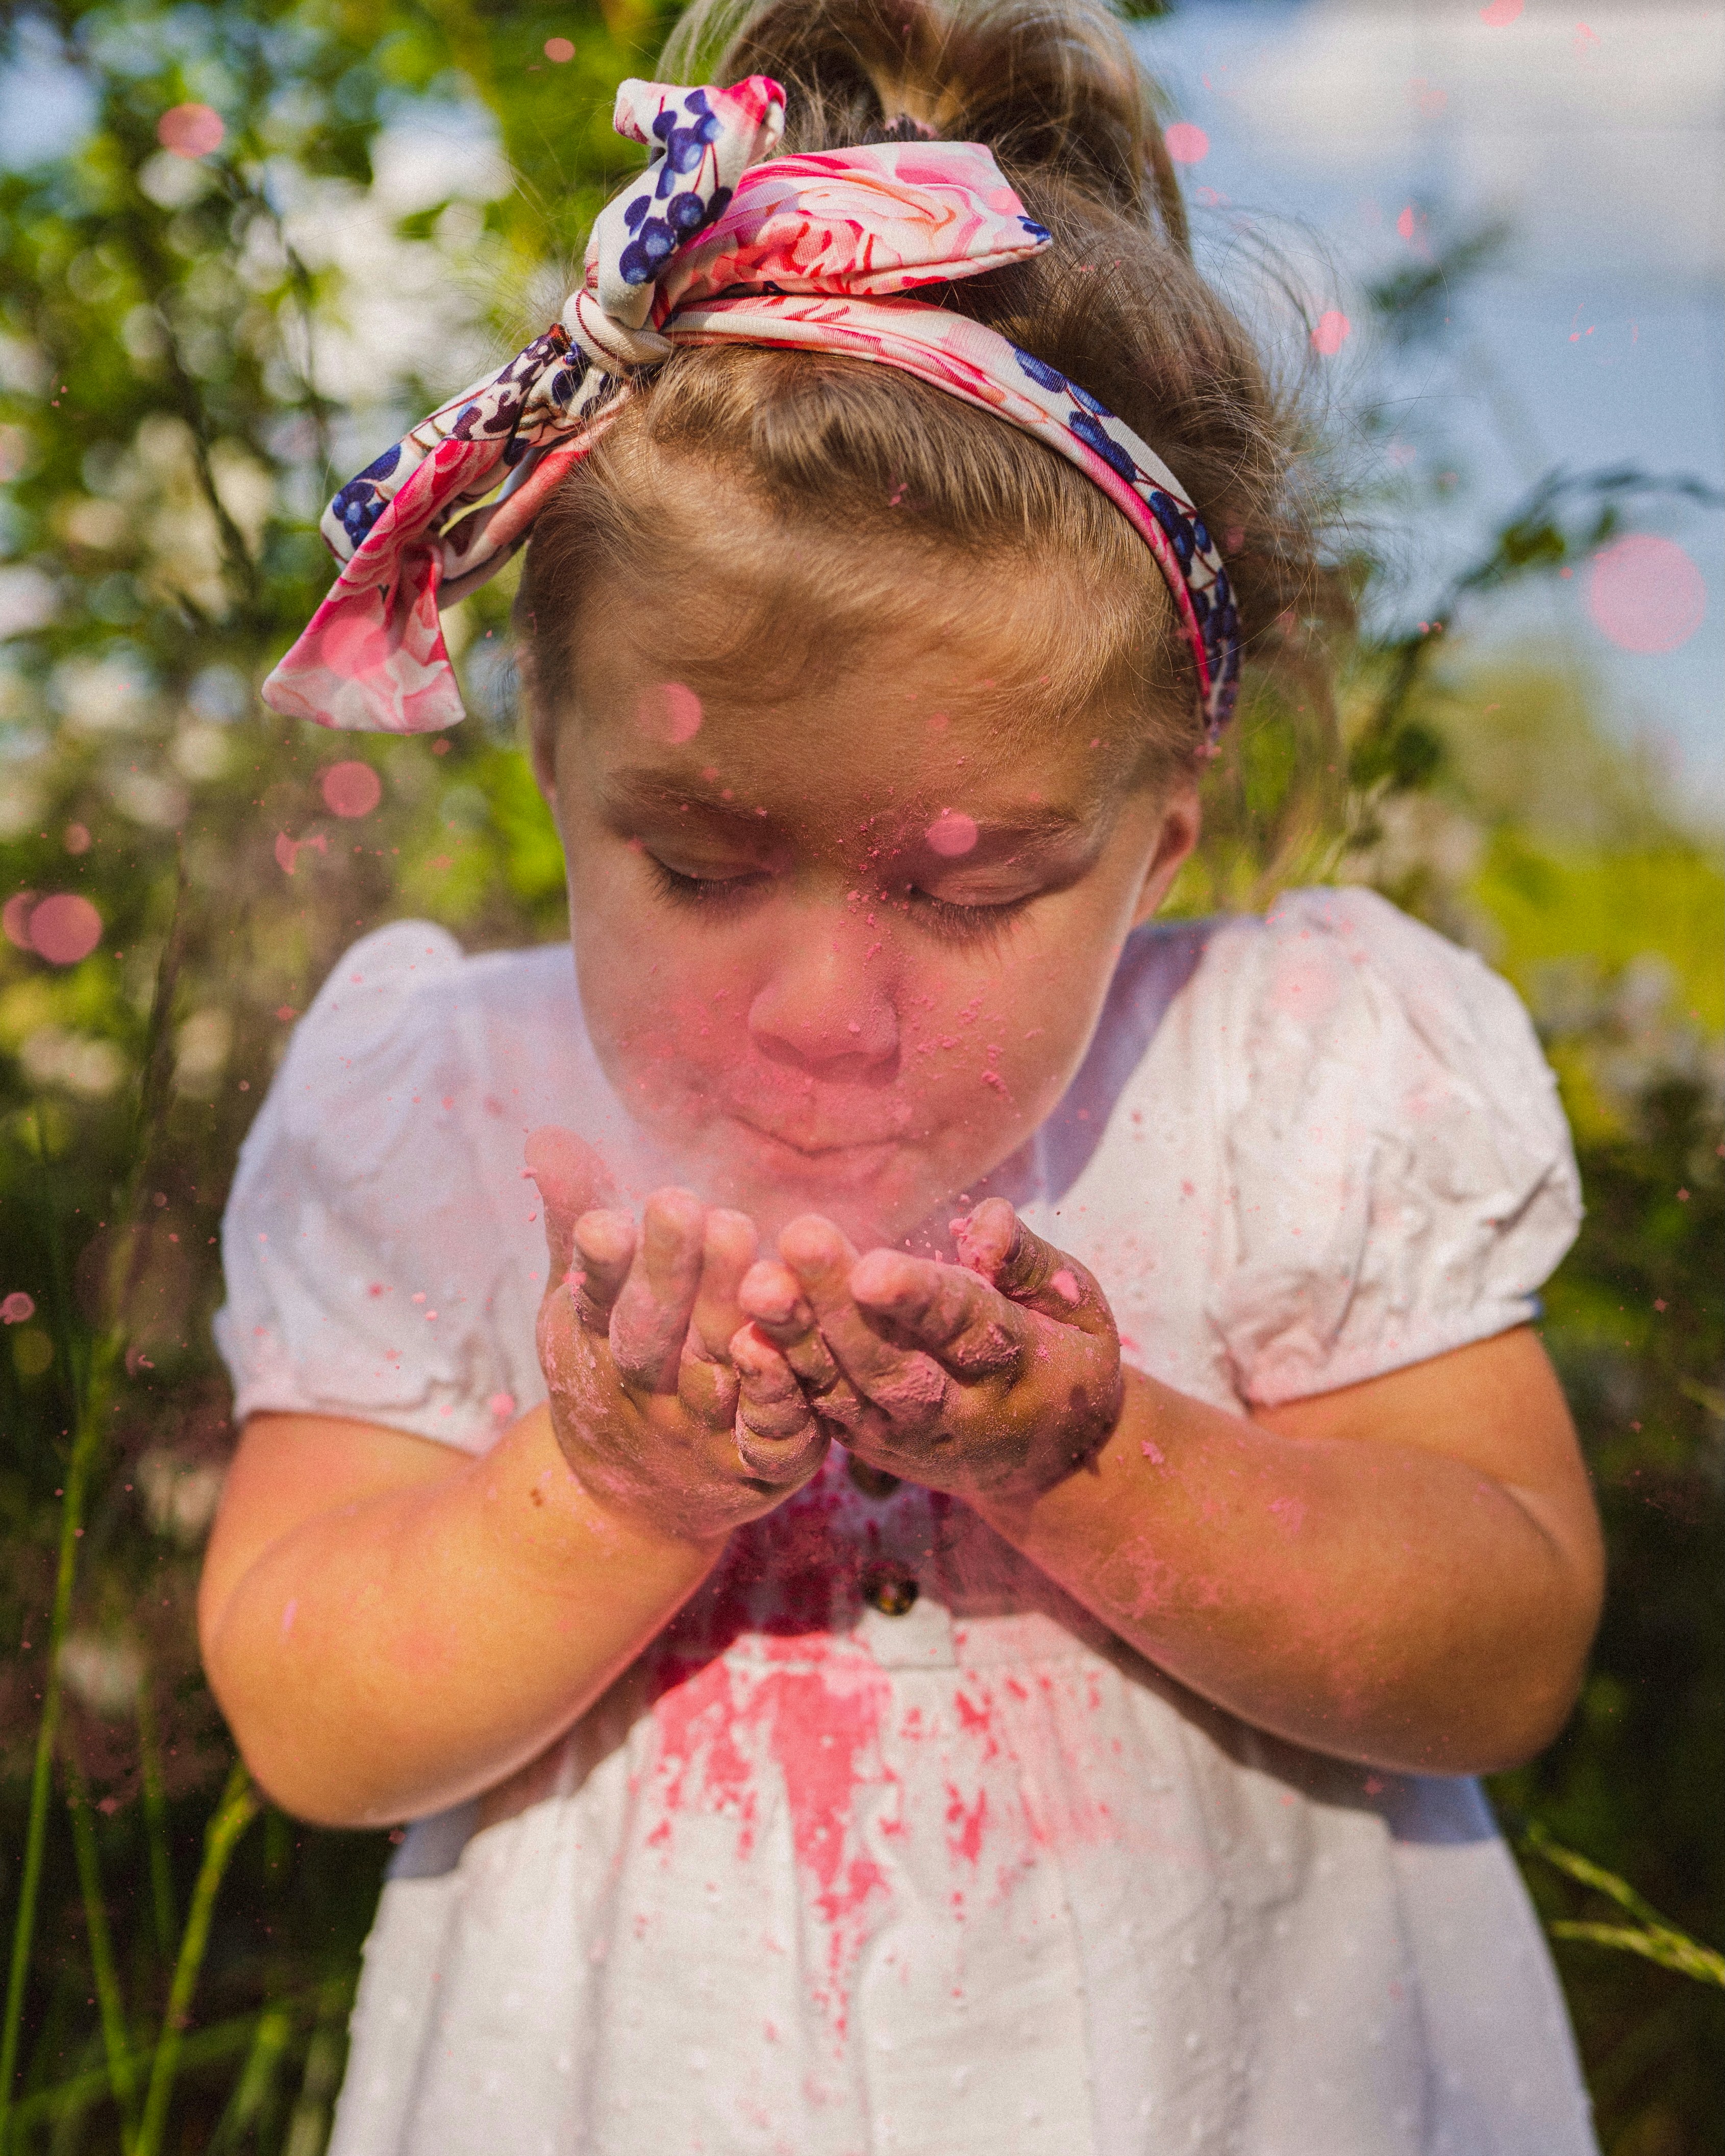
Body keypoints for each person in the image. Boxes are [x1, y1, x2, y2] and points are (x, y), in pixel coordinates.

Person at [198, 3, 1605, 2148]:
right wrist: (613, 1486)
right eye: (701, 861)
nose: (824, 1007)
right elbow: (310, 1708)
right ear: (554, 762)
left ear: (1163, 825)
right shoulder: (442, 1110)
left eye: (972, 895)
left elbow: (1501, 1647)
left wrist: (1094, 1460)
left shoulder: (1290, 1071)